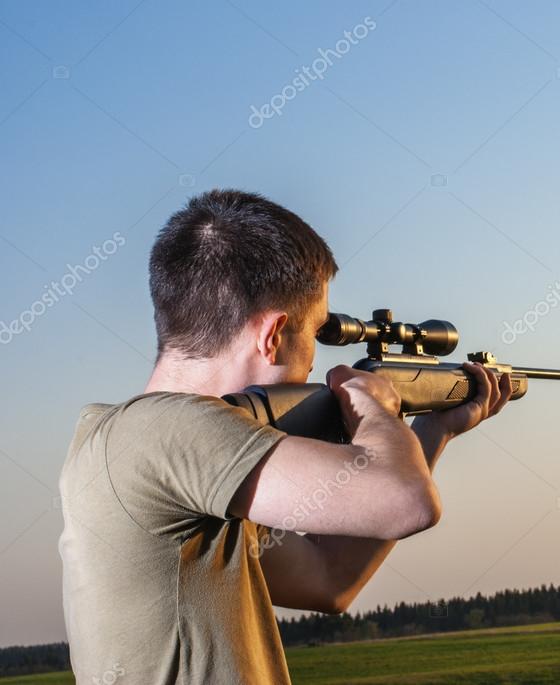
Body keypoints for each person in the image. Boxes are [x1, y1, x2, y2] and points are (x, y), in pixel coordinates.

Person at [58, 189, 512, 684]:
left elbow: (329, 580)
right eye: (315, 334)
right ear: (272, 335)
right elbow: (407, 502)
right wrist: (375, 406)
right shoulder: (165, 432)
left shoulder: (154, 451)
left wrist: (432, 429)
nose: (314, 362)